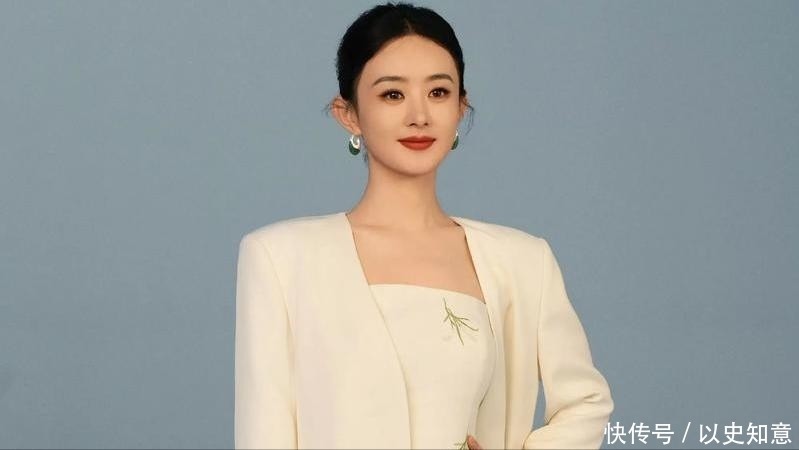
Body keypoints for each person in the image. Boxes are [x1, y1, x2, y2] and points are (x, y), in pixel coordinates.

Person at [234, 2, 613, 449]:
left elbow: (586, 401)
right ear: (348, 113)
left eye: (438, 92)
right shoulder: (280, 258)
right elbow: (264, 432)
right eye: (392, 95)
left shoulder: (522, 261)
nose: (419, 115)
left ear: (460, 107)